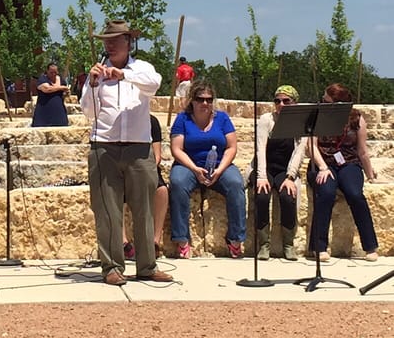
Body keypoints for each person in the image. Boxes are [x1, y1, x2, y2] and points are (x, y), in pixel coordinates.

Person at [80, 19, 172, 286]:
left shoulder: (142, 69)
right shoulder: (96, 73)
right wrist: (94, 85)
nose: (109, 45)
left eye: (114, 40)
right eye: (106, 41)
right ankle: (111, 266)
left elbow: (154, 84)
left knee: (143, 208)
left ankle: (147, 266)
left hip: (139, 148)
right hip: (104, 147)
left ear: (128, 42)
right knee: (107, 210)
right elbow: (87, 111)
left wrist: (124, 76)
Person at [169, 80, 246, 258]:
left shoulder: (222, 118)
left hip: (219, 165)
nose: (205, 103)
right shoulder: (183, 119)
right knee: (178, 183)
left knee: (236, 184)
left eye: (209, 100)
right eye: (200, 99)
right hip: (189, 164)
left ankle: (236, 239)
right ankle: (181, 239)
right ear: (192, 100)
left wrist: (220, 169)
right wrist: (195, 169)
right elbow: (176, 149)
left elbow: (231, 147)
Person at [308, 82, 379, 262]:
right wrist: (322, 167)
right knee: (326, 193)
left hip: (349, 163)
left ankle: (370, 246)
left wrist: (370, 174)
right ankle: (319, 247)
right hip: (324, 163)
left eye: (326, 99)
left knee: (355, 194)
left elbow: (362, 151)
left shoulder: (357, 120)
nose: (323, 102)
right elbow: (312, 147)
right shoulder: (318, 116)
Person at [252, 85, 307, 260]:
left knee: (287, 196)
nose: (281, 104)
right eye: (277, 101)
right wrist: (261, 176)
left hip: (286, 170)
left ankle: (288, 244)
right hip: (266, 168)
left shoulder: (300, 122)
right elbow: (260, 148)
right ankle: (264, 244)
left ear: (294, 103)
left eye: (286, 101)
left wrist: (291, 177)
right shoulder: (266, 119)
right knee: (261, 196)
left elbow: (299, 151)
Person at [123, 113, 169, 259]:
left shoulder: (151, 121)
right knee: (115, 193)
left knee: (161, 190)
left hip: (145, 167)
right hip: (123, 167)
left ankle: (155, 240)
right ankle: (123, 243)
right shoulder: (119, 120)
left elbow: (157, 155)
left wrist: (144, 170)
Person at [31, 62, 69, 127]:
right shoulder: (42, 79)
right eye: (51, 72)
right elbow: (47, 89)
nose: (53, 74)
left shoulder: (61, 80)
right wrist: (61, 87)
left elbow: (64, 93)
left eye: (55, 72)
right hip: (44, 115)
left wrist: (66, 92)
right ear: (47, 71)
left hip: (59, 114)